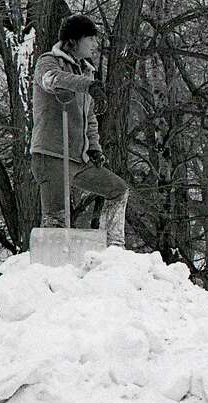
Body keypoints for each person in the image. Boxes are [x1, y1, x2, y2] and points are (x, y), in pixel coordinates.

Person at [31, 14, 129, 247]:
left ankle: (114, 247)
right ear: (74, 41)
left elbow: (89, 116)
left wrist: (94, 146)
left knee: (118, 190)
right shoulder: (48, 62)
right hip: (52, 153)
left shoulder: (87, 70)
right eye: (90, 39)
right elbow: (51, 80)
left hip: (79, 158)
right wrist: (88, 86)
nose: (94, 44)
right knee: (56, 220)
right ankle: (51, 271)